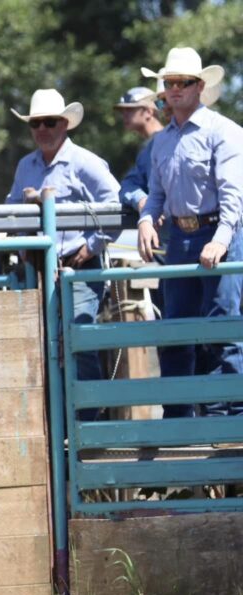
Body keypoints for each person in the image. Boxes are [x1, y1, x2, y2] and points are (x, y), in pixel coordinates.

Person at [137, 47, 243, 419]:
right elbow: (157, 196)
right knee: (175, 333)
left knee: (222, 330)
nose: (175, 89)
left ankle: (225, 423)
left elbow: (233, 193)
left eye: (182, 82)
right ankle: (178, 422)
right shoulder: (162, 141)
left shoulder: (224, 132)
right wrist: (146, 220)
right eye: (169, 83)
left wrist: (221, 239)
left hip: (217, 232)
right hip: (181, 240)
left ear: (199, 86)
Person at [6, 89, 119, 416]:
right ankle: (58, 424)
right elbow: (10, 211)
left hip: (76, 268)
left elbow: (116, 207)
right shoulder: (25, 165)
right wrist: (22, 242)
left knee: (77, 340)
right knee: (44, 344)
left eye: (49, 122)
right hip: (38, 269)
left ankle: (86, 423)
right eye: (36, 123)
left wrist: (91, 246)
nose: (42, 128)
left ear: (64, 124)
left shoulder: (85, 162)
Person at [115, 87, 164, 215]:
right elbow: (129, 184)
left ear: (148, 112)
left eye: (130, 109)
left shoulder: (161, 142)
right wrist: (141, 199)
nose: (124, 115)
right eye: (122, 111)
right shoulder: (146, 147)